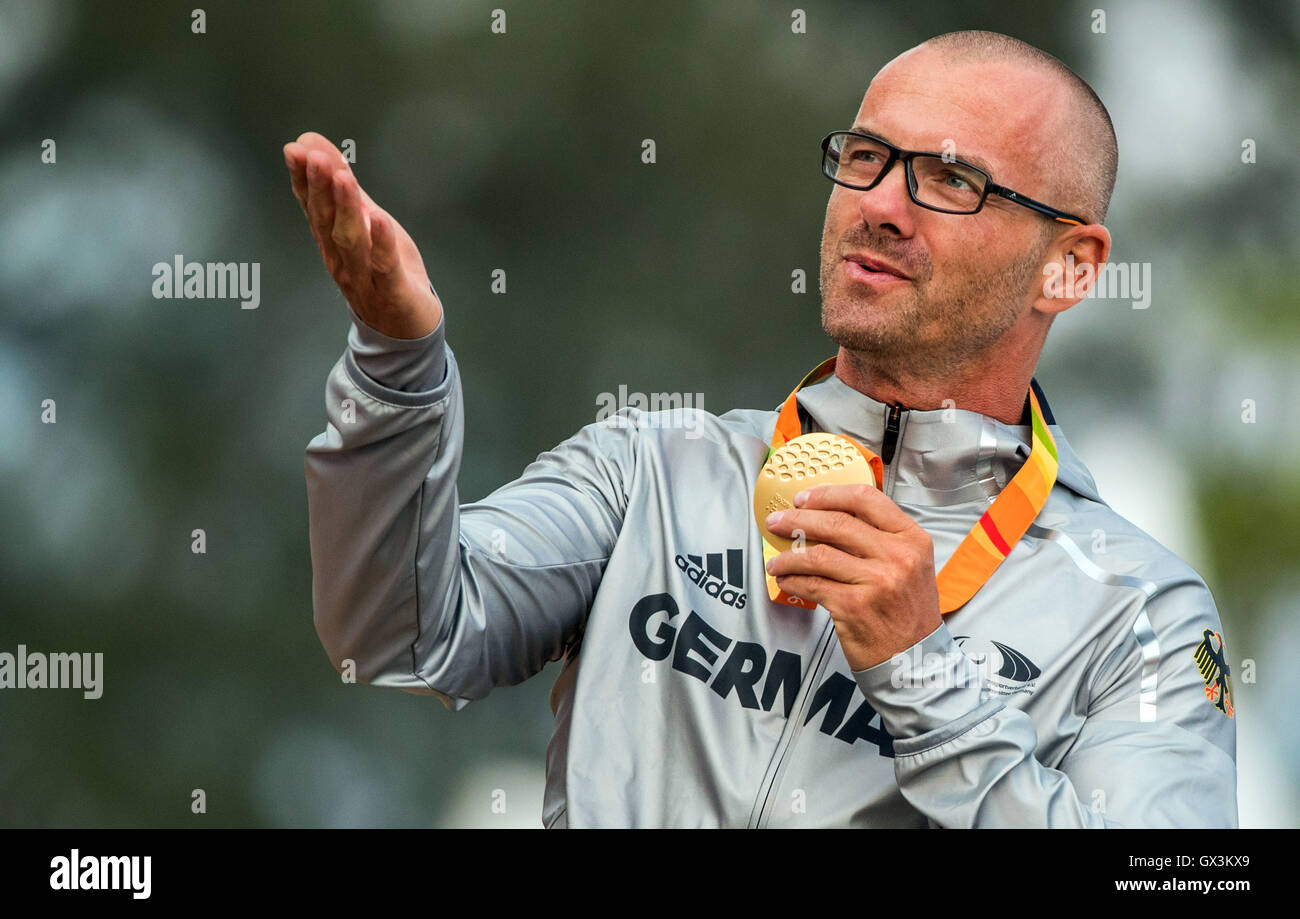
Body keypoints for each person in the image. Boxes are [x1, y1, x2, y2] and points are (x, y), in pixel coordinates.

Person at [291, 30, 1237, 828]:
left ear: (1069, 266)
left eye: (950, 179)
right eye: (867, 158)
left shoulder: (1140, 615)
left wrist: (922, 674)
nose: (881, 205)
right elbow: (397, 637)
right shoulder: (655, 467)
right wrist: (397, 360)